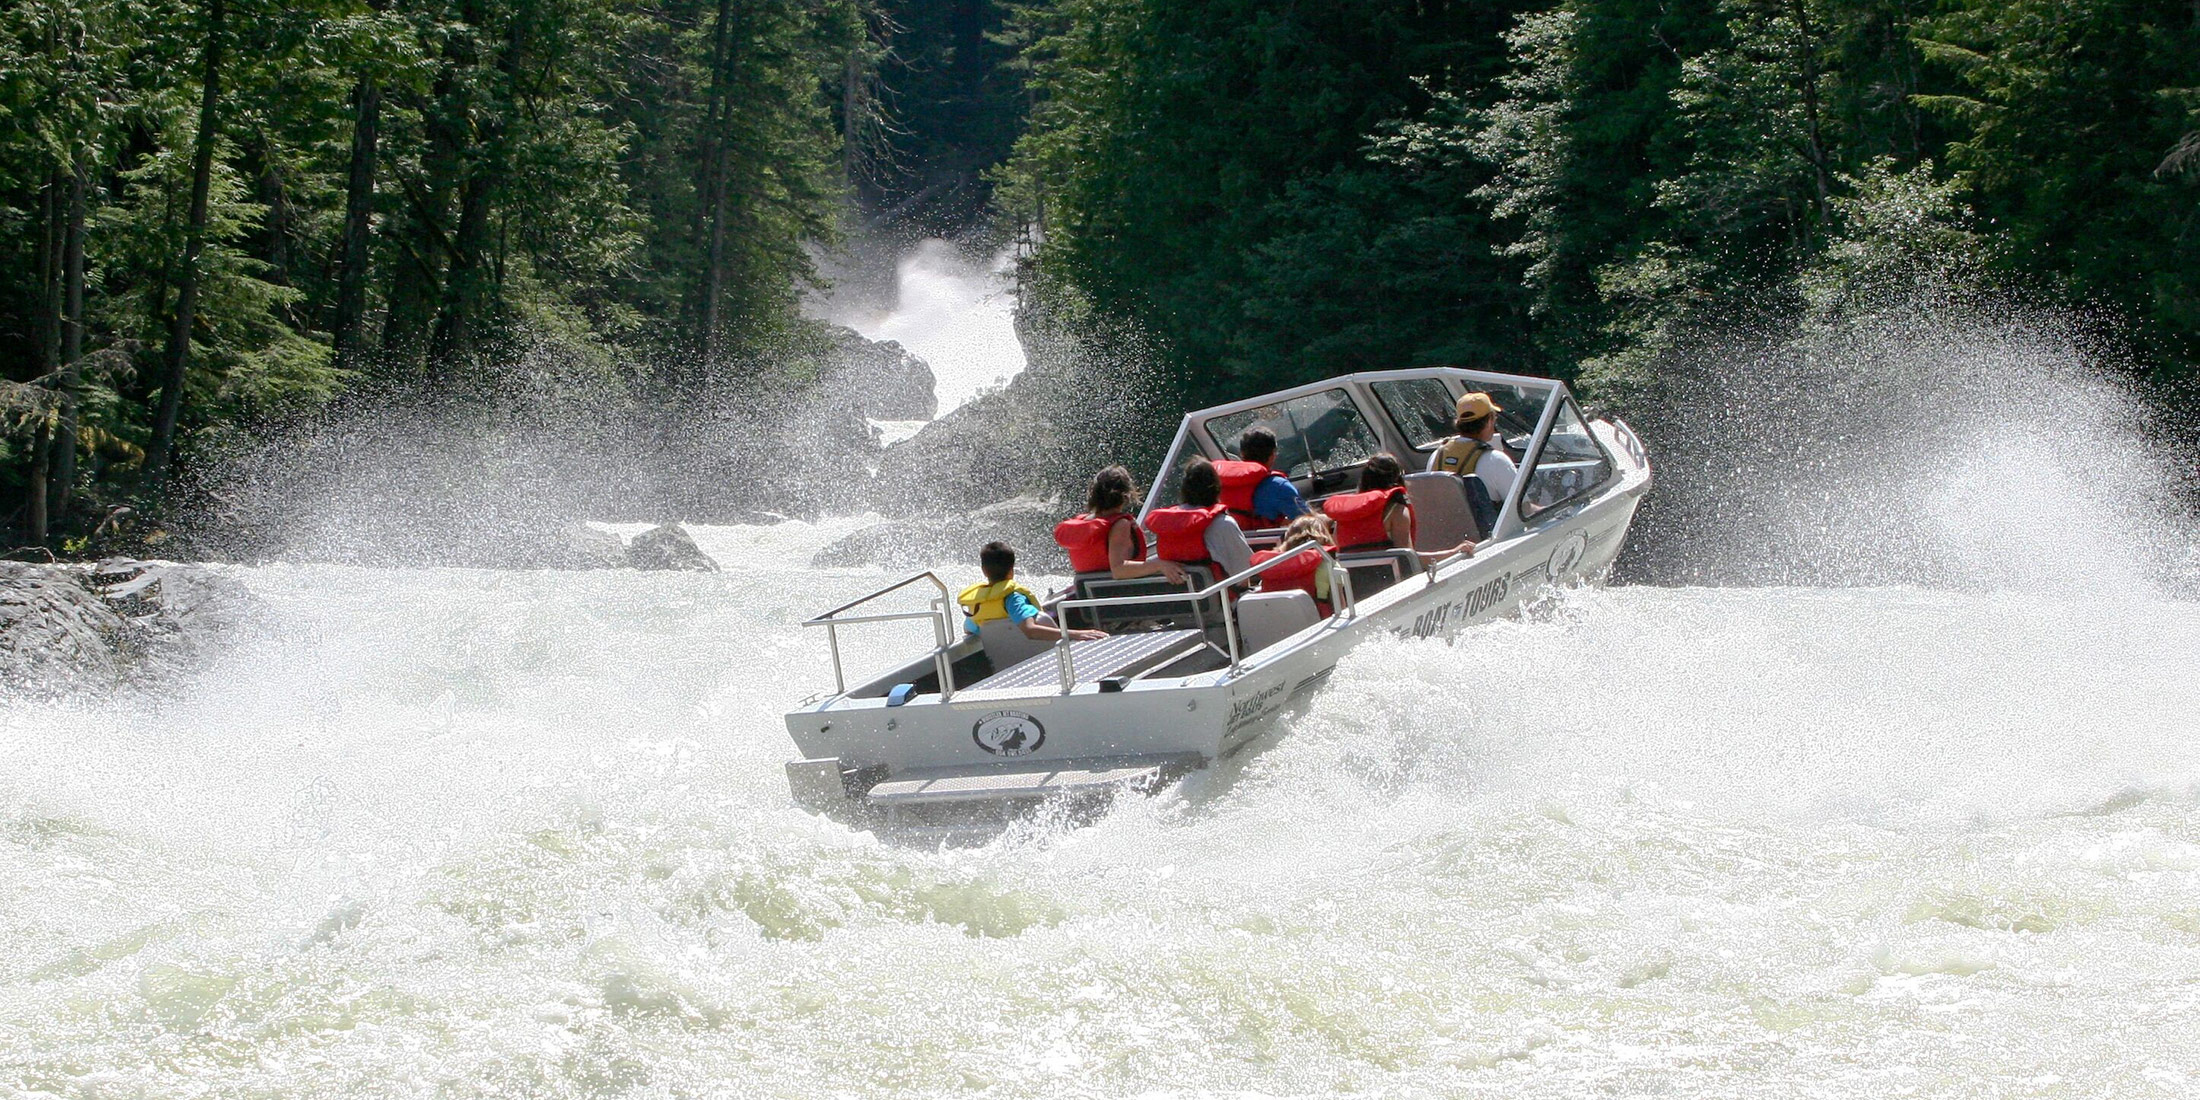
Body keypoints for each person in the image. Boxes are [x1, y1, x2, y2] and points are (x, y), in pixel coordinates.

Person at [1322, 453, 1477, 566]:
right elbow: (1408, 559)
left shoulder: (1343, 516)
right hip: (1391, 585)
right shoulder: (1396, 511)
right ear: (1397, 479)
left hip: (1354, 591)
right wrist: (1455, 552)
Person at [1054, 466, 1186, 584]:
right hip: (1119, 600)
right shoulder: (1120, 524)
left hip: (1091, 602)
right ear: (1126, 495)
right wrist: (1159, 565)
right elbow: (1119, 569)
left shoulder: (1084, 523)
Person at [958, 541, 1106, 642]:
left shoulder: (977, 605)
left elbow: (969, 630)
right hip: (1038, 660)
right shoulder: (1013, 598)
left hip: (1003, 665)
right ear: (1012, 570)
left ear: (984, 571)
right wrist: (1077, 634)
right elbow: (1030, 629)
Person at [1145, 458, 1255, 581]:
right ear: (1216, 488)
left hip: (1178, 598)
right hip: (1222, 598)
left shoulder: (1167, 525)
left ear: (1184, 489)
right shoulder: (1223, 523)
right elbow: (1247, 571)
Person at [1428, 392, 1518, 529]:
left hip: (1449, 540)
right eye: (1494, 417)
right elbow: (1522, 510)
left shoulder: (1436, 456)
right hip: (1487, 541)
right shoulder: (1497, 460)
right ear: (1489, 421)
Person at [1212, 427, 1306, 529]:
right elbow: (1308, 522)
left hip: (1234, 542)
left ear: (1242, 454)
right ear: (1273, 454)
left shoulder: (1217, 484)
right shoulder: (1278, 486)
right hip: (1269, 543)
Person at [1252, 514, 1337, 615]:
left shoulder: (1271, 566)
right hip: (1317, 624)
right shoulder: (1327, 563)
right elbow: (1342, 606)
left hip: (1274, 622)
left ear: (1287, 537)